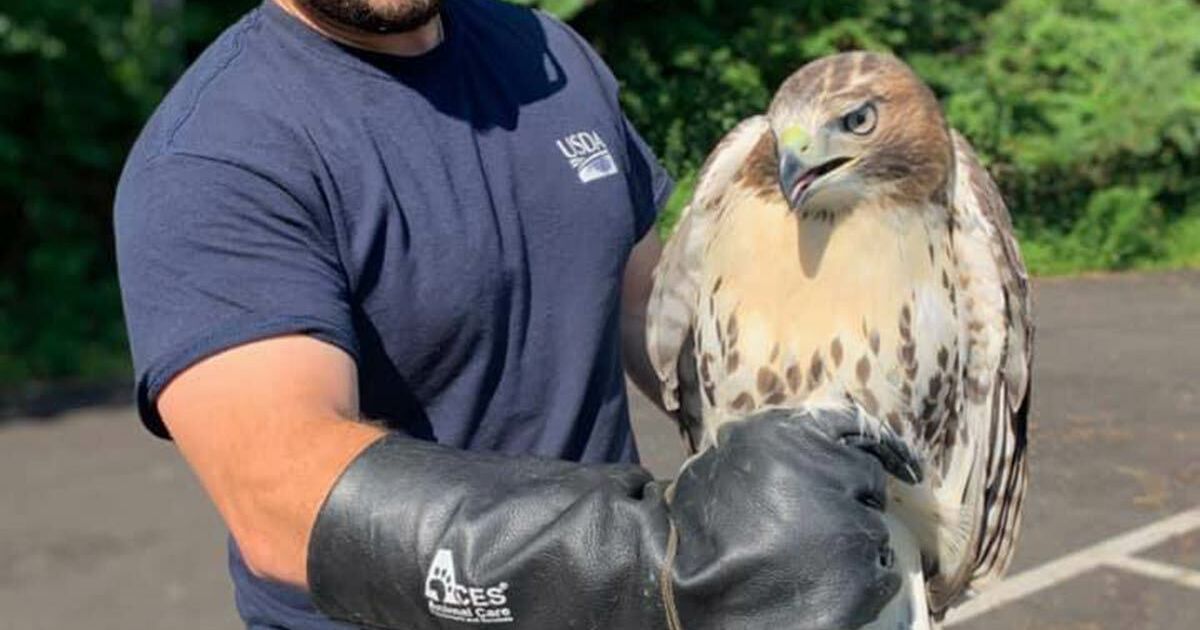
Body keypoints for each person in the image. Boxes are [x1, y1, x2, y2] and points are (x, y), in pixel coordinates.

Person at [114, 1, 920, 628]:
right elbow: (280, 500)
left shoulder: (550, 57)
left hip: (628, 616)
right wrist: (662, 559)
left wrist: (817, 434)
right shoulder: (217, 154)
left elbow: (651, 309)